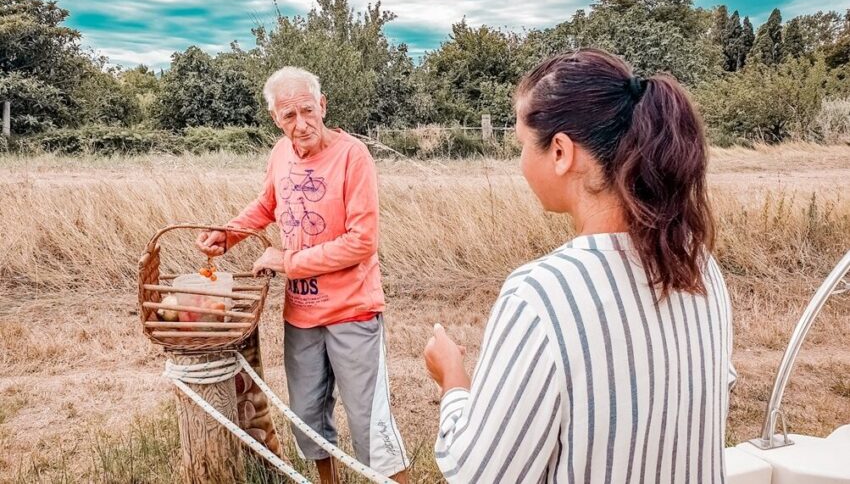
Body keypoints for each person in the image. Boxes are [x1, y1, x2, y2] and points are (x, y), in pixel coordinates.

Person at [424, 48, 737, 483]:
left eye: (520, 145)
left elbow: (480, 474)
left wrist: (453, 380)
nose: (520, 163)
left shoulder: (540, 295)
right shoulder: (700, 267)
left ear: (560, 152)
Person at [196, 67, 409, 484]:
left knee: (369, 419)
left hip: (353, 309)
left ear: (323, 105)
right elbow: (266, 204)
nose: (301, 124)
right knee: (307, 417)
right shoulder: (279, 153)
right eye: (289, 116)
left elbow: (362, 241)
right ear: (276, 118)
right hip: (301, 313)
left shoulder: (353, 156)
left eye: (308, 111)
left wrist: (288, 260)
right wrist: (229, 235)